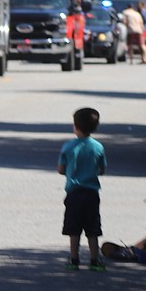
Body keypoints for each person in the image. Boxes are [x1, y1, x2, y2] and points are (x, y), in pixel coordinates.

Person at [58, 107, 107, 271]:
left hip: (73, 192)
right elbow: (102, 169)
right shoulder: (98, 147)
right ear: (95, 126)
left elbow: (61, 169)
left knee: (74, 228)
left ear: (76, 126)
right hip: (91, 192)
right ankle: (94, 260)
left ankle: (74, 259)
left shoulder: (68, 147)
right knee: (92, 227)